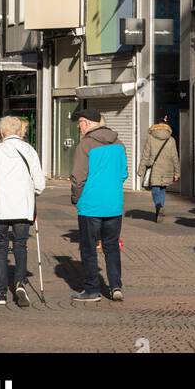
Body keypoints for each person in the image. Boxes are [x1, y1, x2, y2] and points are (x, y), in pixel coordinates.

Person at [0, 113, 45, 308]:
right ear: (18, 130)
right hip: (23, 208)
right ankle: (20, 283)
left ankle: (0, 294)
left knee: (0, 247)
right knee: (20, 245)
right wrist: (32, 192)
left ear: (3, 131)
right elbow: (39, 184)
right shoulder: (29, 150)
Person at [69, 106, 128, 303]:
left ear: (86, 123)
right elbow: (123, 174)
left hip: (90, 206)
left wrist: (76, 197)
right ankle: (116, 286)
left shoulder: (85, 146)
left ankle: (92, 289)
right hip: (114, 205)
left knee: (88, 248)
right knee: (111, 247)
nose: (79, 127)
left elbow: (78, 178)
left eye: (80, 123)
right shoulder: (119, 143)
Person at [136, 117, 180, 222]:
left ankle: (158, 206)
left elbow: (145, 156)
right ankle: (160, 207)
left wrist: (140, 170)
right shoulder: (171, 139)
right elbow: (175, 157)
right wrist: (177, 172)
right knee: (163, 189)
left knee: (155, 189)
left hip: (154, 168)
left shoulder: (150, 138)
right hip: (167, 169)